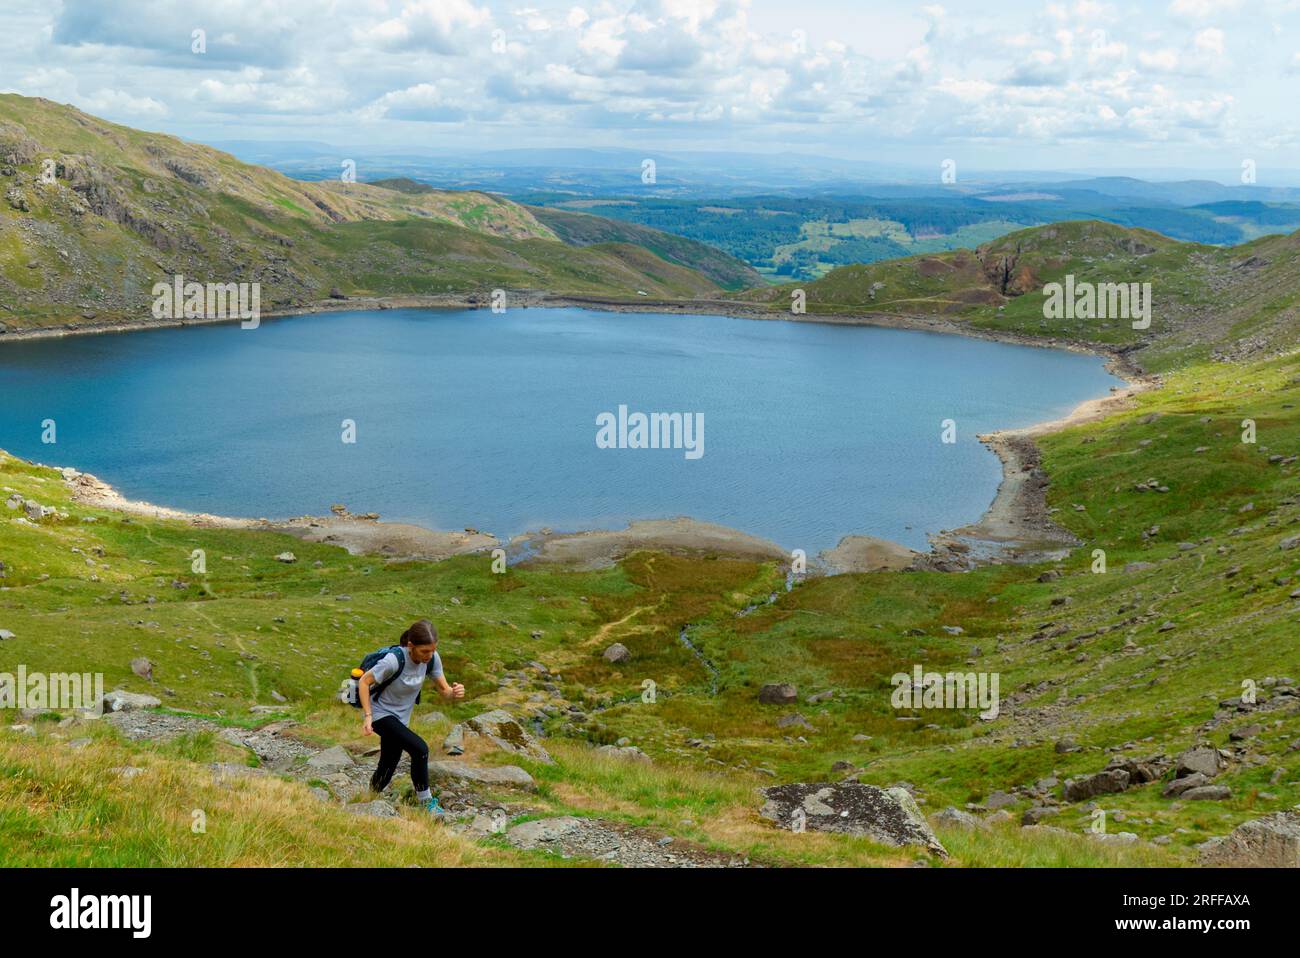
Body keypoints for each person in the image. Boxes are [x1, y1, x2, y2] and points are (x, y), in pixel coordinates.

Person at [358, 619, 465, 814]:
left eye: (433, 650)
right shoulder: (393, 661)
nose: (429, 655)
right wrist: (368, 716)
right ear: (410, 646)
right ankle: (427, 804)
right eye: (424, 651)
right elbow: (364, 682)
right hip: (380, 714)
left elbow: (445, 691)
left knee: (388, 764)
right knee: (420, 749)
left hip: (400, 719)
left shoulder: (432, 659)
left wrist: (454, 693)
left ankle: (367, 799)